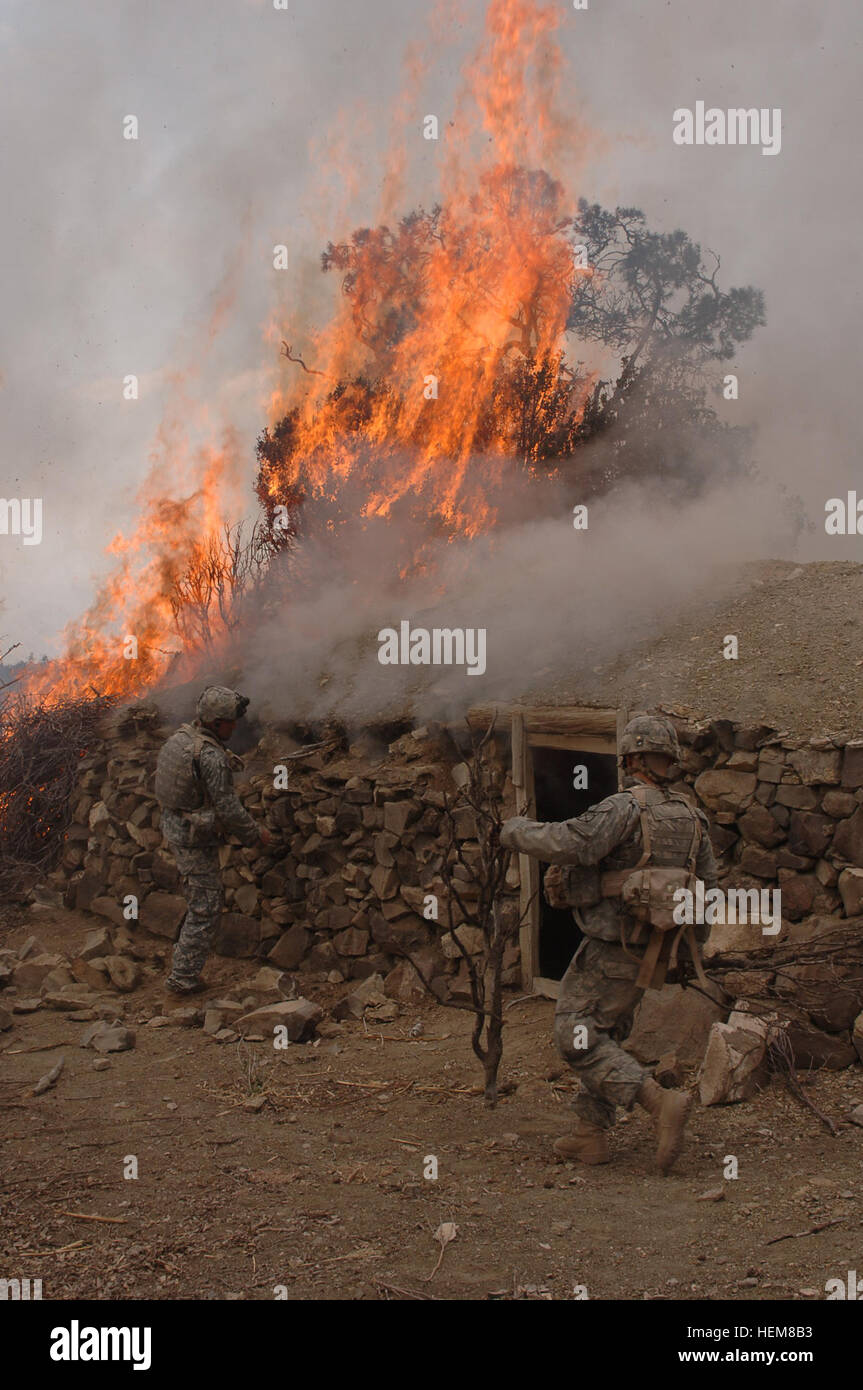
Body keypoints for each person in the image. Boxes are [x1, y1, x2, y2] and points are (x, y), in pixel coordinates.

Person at [500, 715, 718, 1174]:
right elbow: (709, 894)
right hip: (655, 949)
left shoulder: (625, 808)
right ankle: (589, 1134)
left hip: (610, 948)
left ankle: (657, 1102)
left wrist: (513, 830)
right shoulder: (693, 819)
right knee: (608, 1033)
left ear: (633, 758)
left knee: (573, 1034)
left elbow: (571, 841)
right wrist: (686, 953)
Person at [154, 686, 271, 995]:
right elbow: (229, 808)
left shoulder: (182, 739)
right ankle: (182, 979)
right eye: (230, 721)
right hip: (192, 837)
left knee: (199, 900)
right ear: (216, 722)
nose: (235, 726)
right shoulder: (209, 756)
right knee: (205, 906)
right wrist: (255, 835)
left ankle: (183, 970)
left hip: (175, 826)